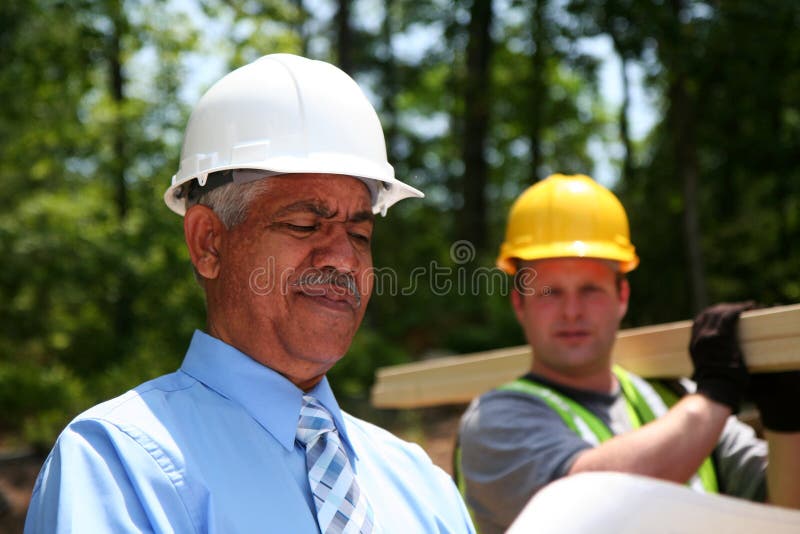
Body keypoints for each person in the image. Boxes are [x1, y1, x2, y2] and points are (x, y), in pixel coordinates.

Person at [25, 53, 474, 533]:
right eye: (305, 224)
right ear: (208, 243)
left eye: (360, 236)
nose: (344, 260)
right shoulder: (119, 467)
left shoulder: (422, 487)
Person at [457, 173, 800, 534]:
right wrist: (716, 395)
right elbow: (588, 509)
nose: (572, 311)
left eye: (590, 289)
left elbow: (785, 515)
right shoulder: (494, 422)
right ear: (519, 302)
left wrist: (787, 419)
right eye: (550, 292)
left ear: (622, 296)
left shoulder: (673, 396)